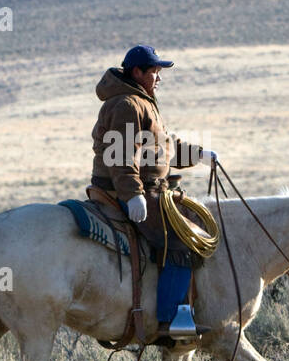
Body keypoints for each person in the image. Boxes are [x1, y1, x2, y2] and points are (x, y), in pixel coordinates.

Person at [90, 45, 217, 344]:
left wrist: (198, 155)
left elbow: (163, 147)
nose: (159, 78)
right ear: (137, 73)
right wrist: (133, 195)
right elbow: (122, 157)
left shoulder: (142, 102)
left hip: (149, 188)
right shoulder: (126, 105)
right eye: (154, 72)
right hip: (129, 190)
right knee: (181, 242)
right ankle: (171, 320)